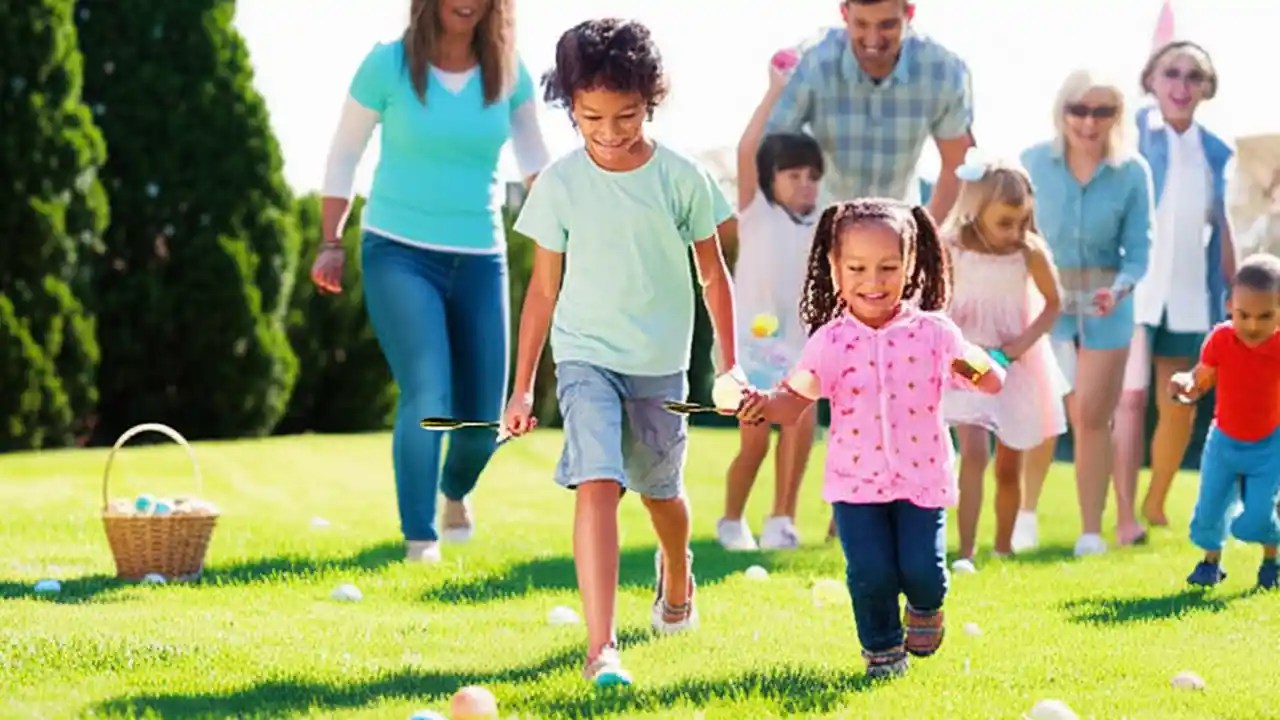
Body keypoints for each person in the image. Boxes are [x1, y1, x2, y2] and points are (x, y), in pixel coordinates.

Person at [501, 18, 745, 687]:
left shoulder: (681, 178)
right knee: (599, 479)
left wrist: (730, 363)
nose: (609, 132)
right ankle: (601, 646)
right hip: (585, 356)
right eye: (591, 117)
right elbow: (542, 291)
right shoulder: (558, 183)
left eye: (627, 116)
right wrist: (522, 387)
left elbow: (713, 275)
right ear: (570, 107)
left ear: (651, 101)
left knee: (660, 493)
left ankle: (677, 570)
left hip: (660, 362)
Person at [311, 0, 548, 564]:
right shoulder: (387, 65)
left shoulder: (509, 72)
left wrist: (577, 227)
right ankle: (420, 537)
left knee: (483, 419)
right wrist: (330, 240)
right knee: (428, 392)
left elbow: (536, 162)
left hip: (479, 257)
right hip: (398, 250)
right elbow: (345, 151)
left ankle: (454, 493)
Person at [736, 198, 1005, 679]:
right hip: (854, 484)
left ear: (910, 265)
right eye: (857, 267)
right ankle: (881, 650)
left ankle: (926, 606)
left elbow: (983, 376)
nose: (873, 281)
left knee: (923, 571)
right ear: (835, 269)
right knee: (870, 573)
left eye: (888, 267)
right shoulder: (830, 343)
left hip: (922, 480)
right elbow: (794, 401)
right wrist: (760, 404)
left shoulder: (933, 333)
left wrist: (979, 369)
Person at [1017, 69, 1154, 557]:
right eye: (1079, 109)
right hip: (1045, 299)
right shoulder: (1033, 162)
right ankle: (1025, 516)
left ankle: (1091, 531)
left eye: (1102, 111)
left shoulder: (1132, 171)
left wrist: (1118, 290)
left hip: (1105, 304)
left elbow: (1139, 250)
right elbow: (1017, 234)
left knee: (1094, 416)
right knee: (1041, 411)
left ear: (1117, 116)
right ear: (1062, 111)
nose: (1089, 122)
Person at [1113, 41, 1236, 536]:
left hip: (1190, 295)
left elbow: (1227, 225)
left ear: (1207, 88)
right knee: (1129, 401)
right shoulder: (1132, 133)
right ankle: (1122, 515)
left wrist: (1233, 286)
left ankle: (1156, 500)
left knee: (1180, 399)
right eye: (1171, 74)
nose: (1182, 86)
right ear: (1151, 80)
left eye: (1193, 77)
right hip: (1134, 291)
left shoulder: (1218, 152)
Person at [940, 152, 1067, 573]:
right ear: (976, 211)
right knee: (973, 450)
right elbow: (936, 302)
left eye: (1021, 221)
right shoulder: (952, 248)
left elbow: (1053, 304)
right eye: (1004, 223)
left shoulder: (1028, 253)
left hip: (1016, 364)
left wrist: (1016, 347)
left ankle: (1004, 546)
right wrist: (956, 348)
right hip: (969, 362)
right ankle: (965, 551)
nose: (1015, 232)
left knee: (1009, 463)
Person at [717, 58, 825, 553]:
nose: (805, 184)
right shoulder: (756, 213)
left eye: (812, 176)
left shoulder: (823, 223)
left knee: (800, 433)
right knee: (755, 443)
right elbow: (745, 149)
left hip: (802, 350)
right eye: (794, 175)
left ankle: (783, 518)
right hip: (755, 353)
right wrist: (774, 90)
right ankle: (732, 519)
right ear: (770, 178)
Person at [764, 0, 973, 219]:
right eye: (861, 24)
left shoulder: (943, 72)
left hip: (899, 226)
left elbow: (957, 164)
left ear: (909, 14)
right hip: (825, 225)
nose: (873, 39)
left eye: (887, 25)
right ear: (844, 14)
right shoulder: (810, 63)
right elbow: (771, 151)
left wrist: (925, 235)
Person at [1174, 253, 1280, 591]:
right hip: (1223, 440)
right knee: (1209, 508)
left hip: (1268, 444)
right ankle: (1209, 564)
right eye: (1243, 315)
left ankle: (1270, 561)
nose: (1251, 326)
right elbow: (1200, 378)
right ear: (1229, 305)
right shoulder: (1221, 340)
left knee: (1257, 517)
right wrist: (1187, 386)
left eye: (1265, 316)